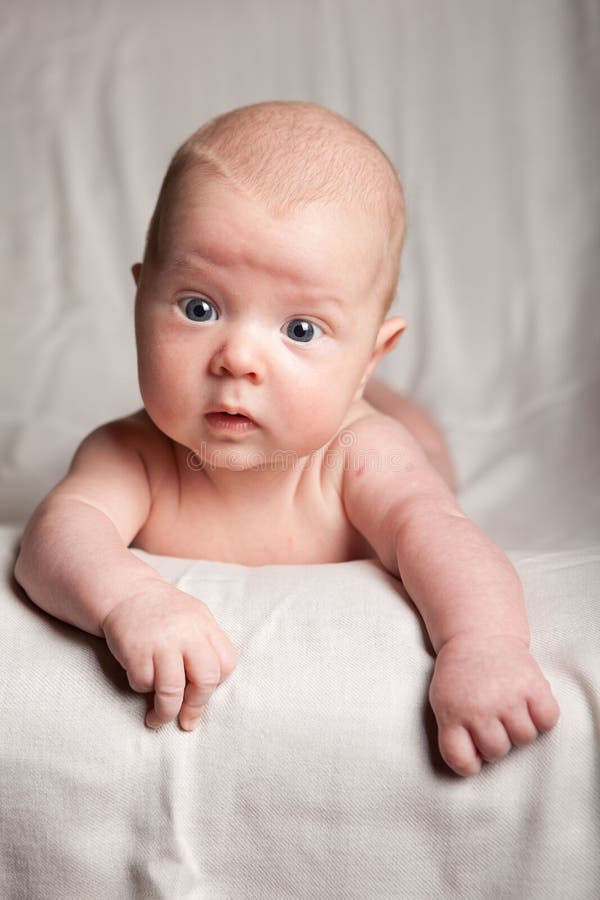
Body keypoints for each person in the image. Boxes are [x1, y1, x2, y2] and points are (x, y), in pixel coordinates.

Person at [14, 101, 559, 777]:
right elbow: (55, 537)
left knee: (421, 457)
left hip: (375, 440)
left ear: (369, 354)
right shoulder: (132, 453)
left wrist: (483, 644)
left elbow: (440, 534)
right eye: (198, 308)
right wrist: (133, 598)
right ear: (139, 299)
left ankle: (384, 403)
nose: (238, 357)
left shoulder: (359, 456)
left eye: (301, 329)